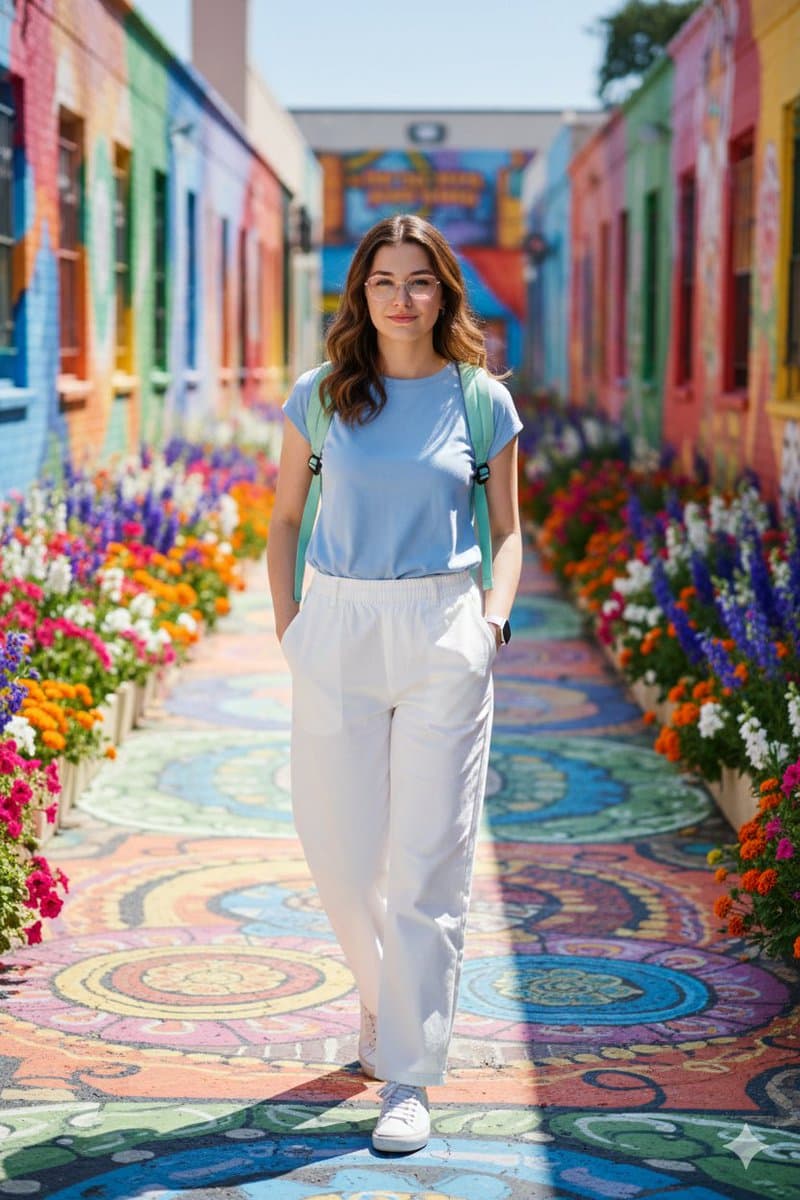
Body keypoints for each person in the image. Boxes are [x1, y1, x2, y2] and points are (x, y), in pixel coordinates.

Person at [266, 213, 522, 1154]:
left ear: (444, 291)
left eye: (420, 281)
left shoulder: (481, 399)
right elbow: (286, 519)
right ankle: (381, 1001)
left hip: (443, 629)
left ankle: (409, 1071)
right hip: (336, 627)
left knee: (429, 860)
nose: (402, 297)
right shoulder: (322, 395)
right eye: (384, 281)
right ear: (360, 292)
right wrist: (294, 631)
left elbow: (509, 528)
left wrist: (491, 622)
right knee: (336, 847)